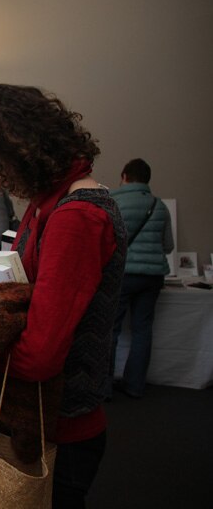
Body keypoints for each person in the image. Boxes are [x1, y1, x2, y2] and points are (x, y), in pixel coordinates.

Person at [0, 84, 126, 509]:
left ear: (14, 156)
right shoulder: (52, 203)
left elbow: (40, 354)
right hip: (45, 420)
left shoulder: (75, 216)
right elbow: (41, 287)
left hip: (57, 428)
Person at [109, 158, 173, 399]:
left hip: (121, 274)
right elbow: (168, 246)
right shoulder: (159, 205)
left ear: (124, 175)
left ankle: (104, 387)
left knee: (111, 329)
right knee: (143, 330)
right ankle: (134, 385)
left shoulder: (114, 202)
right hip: (152, 276)